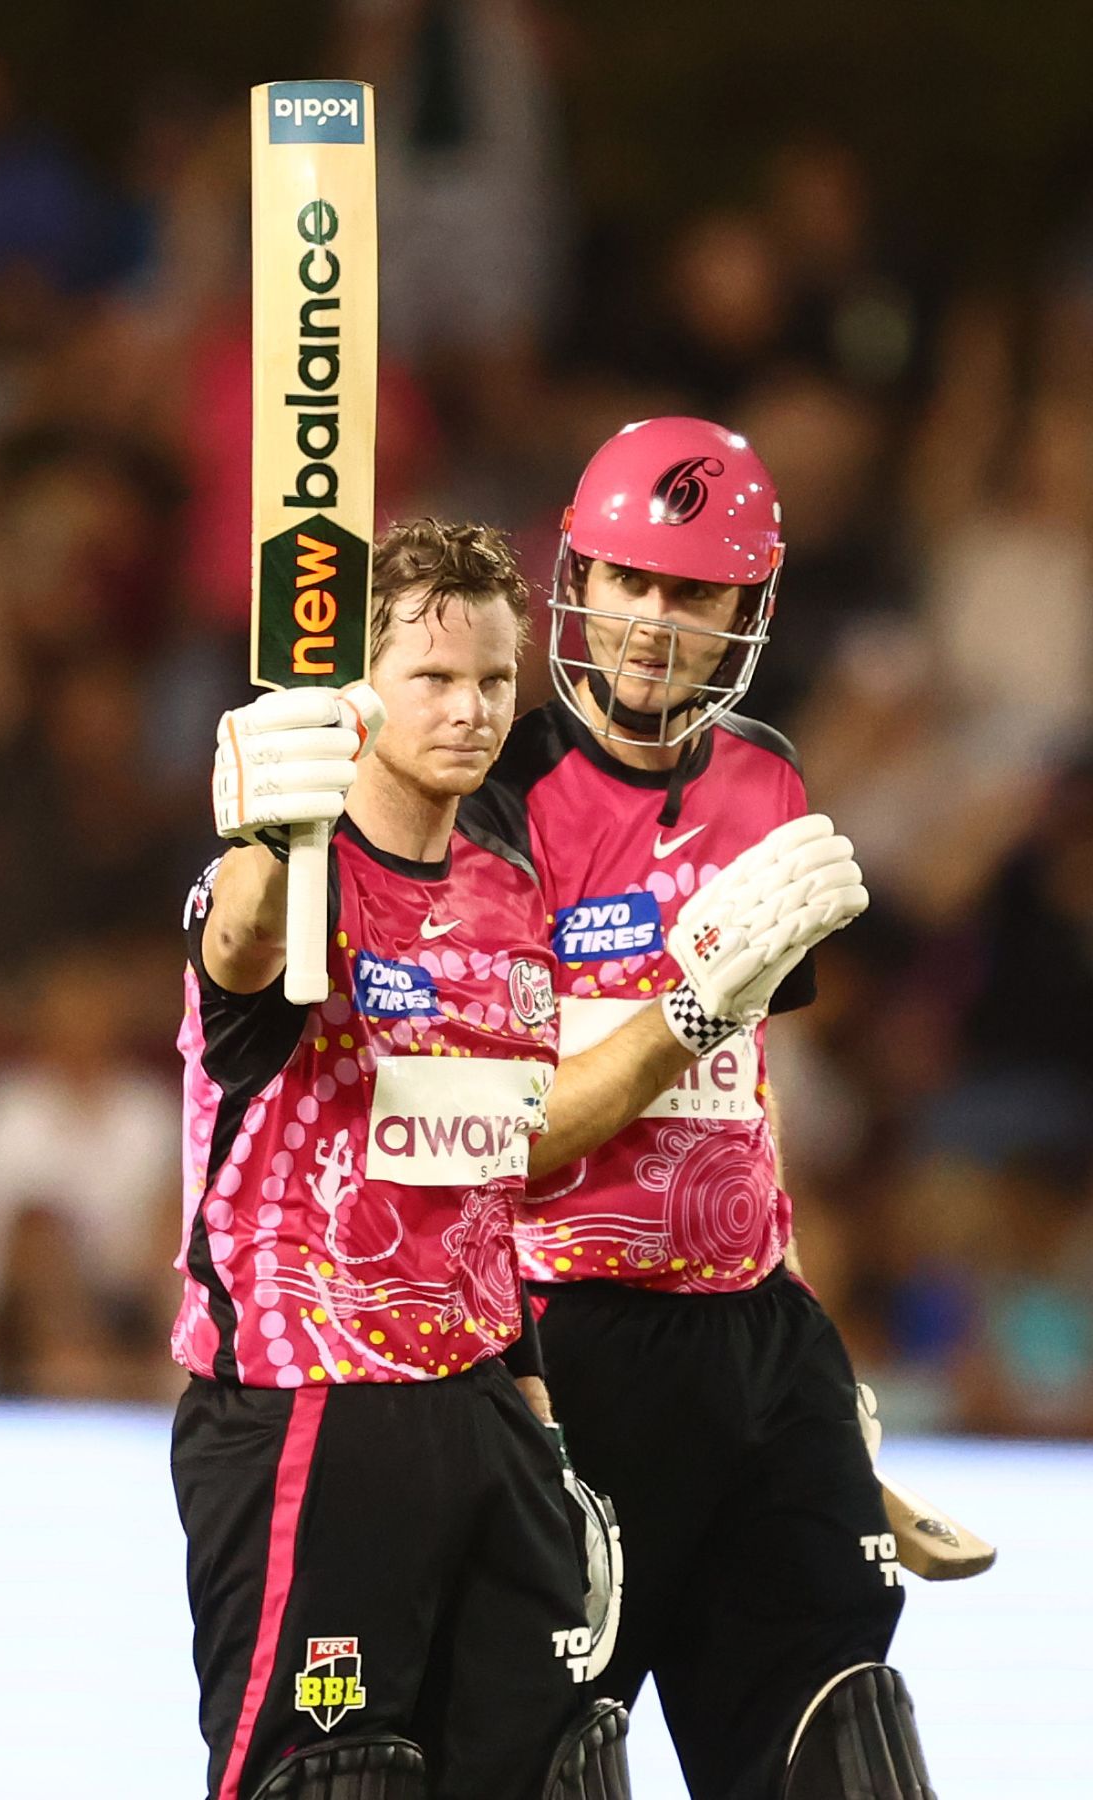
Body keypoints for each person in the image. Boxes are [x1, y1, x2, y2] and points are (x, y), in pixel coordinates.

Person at [170, 516, 865, 1800]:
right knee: (332, 1777)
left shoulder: (507, 889)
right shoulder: (297, 879)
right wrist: (266, 835)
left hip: (490, 1406)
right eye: (432, 678)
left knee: (555, 1770)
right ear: (357, 691)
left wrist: (541, 1429)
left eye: (495, 679)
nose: (473, 709)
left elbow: (498, 1176)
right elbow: (244, 952)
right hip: (313, 1409)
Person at [459, 419, 935, 1800]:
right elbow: (507, 1132)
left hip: (753, 1333)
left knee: (842, 1731)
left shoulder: (766, 778)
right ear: (579, 582)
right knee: (559, 1755)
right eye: (627, 580)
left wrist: (807, 1337)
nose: (654, 622)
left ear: (745, 612)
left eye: (693, 592)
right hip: (567, 1330)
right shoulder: (499, 793)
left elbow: (749, 1109)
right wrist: (691, 1006)